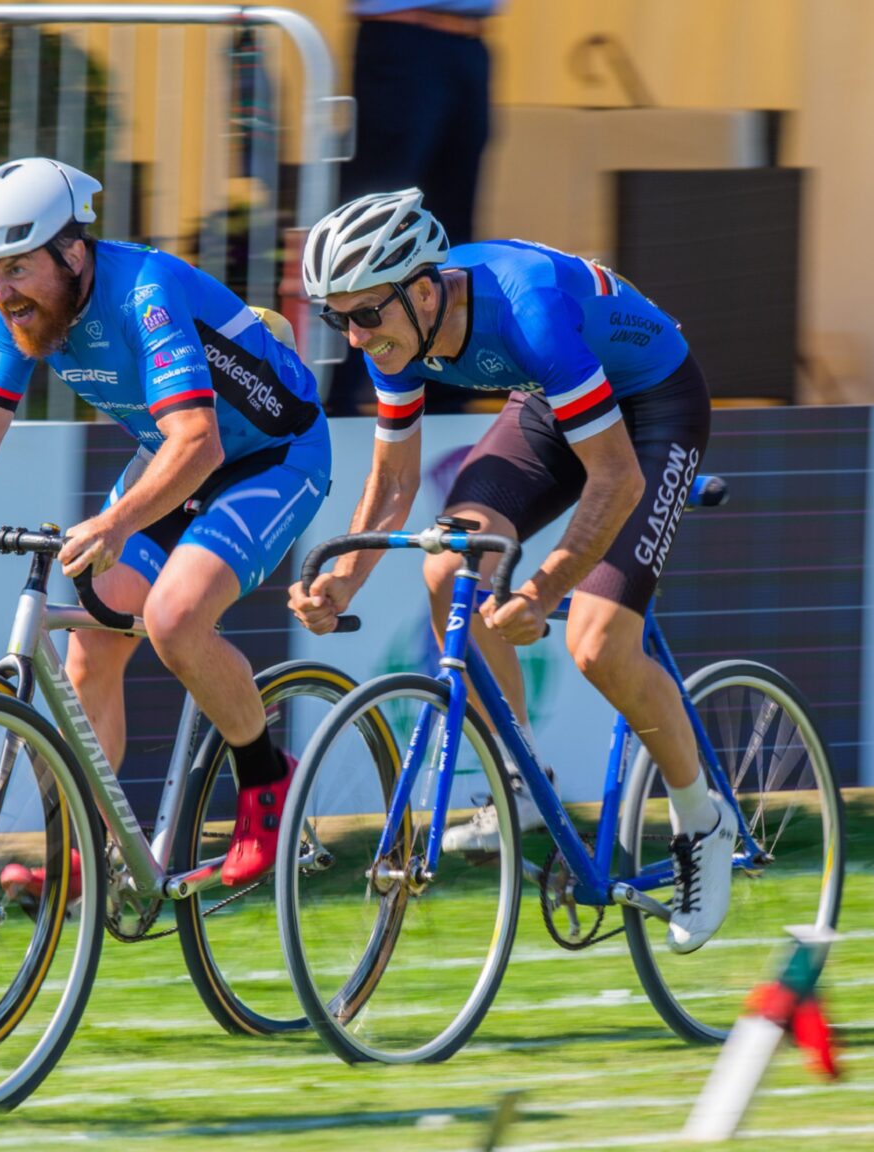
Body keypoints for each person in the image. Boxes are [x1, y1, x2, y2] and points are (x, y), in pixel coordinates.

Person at [288, 189, 732, 954]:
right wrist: (345, 579)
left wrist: (545, 588)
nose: (356, 338)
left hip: (653, 409)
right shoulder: (400, 329)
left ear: (424, 288)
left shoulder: (526, 309)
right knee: (445, 568)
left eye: (365, 315)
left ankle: (703, 820)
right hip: (553, 405)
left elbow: (618, 479)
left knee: (596, 641)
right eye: (338, 319)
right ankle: (522, 788)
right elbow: (394, 485)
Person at [0, 158, 332, 887]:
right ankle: (93, 862)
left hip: (271, 458)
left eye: (14, 269)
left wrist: (115, 524)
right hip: (177, 453)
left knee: (174, 617)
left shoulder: (145, 292)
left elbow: (201, 444)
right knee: (90, 651)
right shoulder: (26, 313)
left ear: (72, 251)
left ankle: (268, 786)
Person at [327, 0, 499, 421]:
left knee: (451, 237)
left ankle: (447, 395)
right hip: (402, 38)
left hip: (471, 41)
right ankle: (336, 405)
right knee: (371, 230)